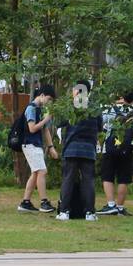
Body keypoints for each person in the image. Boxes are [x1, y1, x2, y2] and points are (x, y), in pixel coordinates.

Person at [97, 89, 133, 216]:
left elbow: (99, 124)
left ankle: (110, 205)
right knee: (123, 178)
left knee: (107, 177)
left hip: (110, 148)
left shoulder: (110, 108)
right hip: (127, 149)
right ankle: (120, 207)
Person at [56, 82, 103, 222]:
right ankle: (89, 212)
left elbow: (60, 123)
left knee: (68, 179)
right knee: (88, 180)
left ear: (77, 91)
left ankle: (64, 211)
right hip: (89, 149)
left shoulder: (70, 107)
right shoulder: (94, 108)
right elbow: (100, 127)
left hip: (71, 148)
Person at [15, 85, 59, 214]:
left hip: (36, 145)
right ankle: (44, 202)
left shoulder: (40, 110)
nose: (49, 102)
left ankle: (25, 202)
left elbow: (45, 130)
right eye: (49, 99)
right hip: (30, 144)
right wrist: (46, 119)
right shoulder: (31, 108)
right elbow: (32, 128)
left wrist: (50, 147)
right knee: (42, 171)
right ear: (42, 95)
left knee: (35, 174)